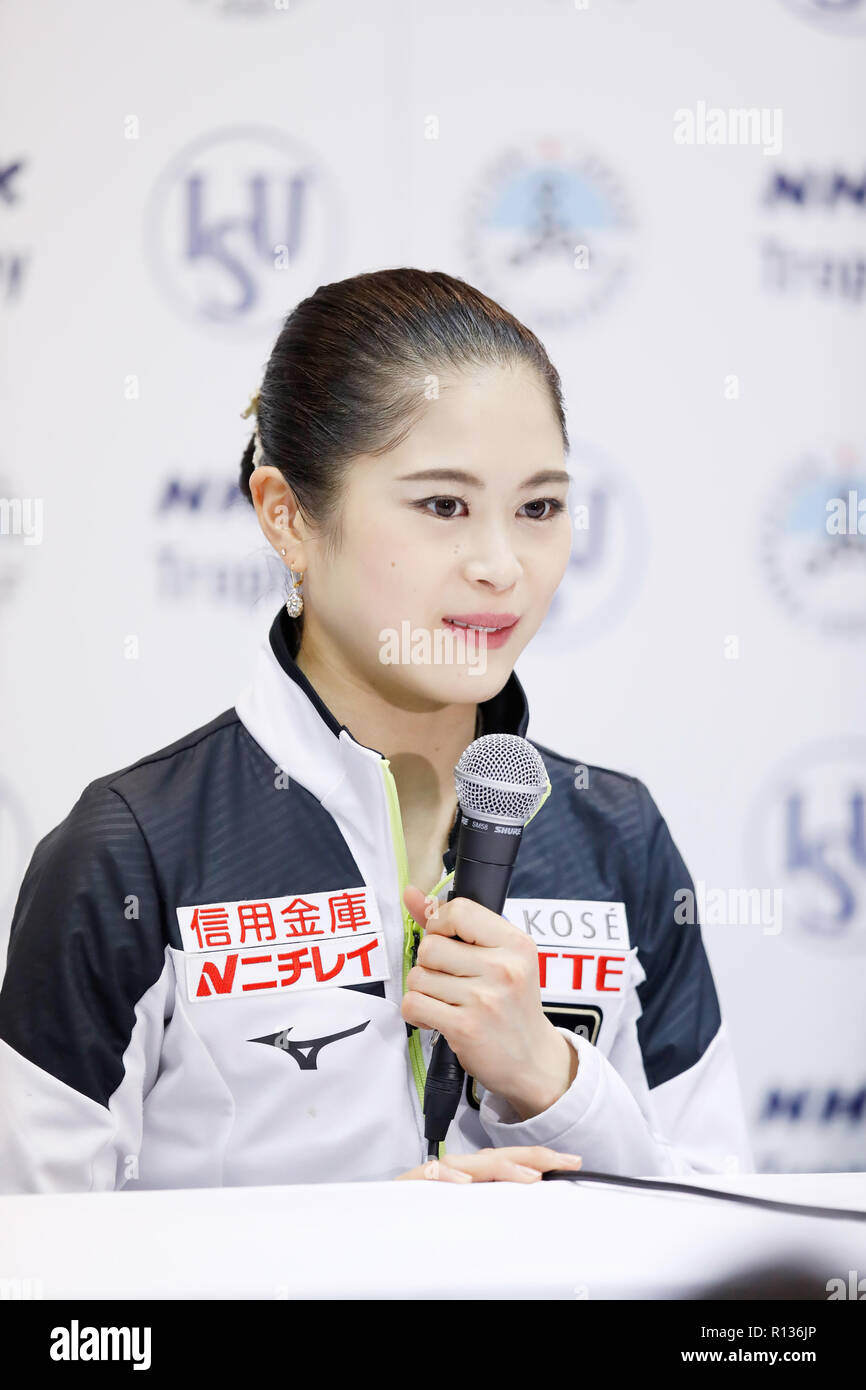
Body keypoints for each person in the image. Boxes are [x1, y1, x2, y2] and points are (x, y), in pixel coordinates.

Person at [0, 268, 752, 1193]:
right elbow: (45, 1285)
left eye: (540, 507)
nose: (500, 566)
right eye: (443, 506)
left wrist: (555, 1083)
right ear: (288, 517)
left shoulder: (616, 832)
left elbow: (733, 1248)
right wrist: (359, 1246)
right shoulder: (132, 849)